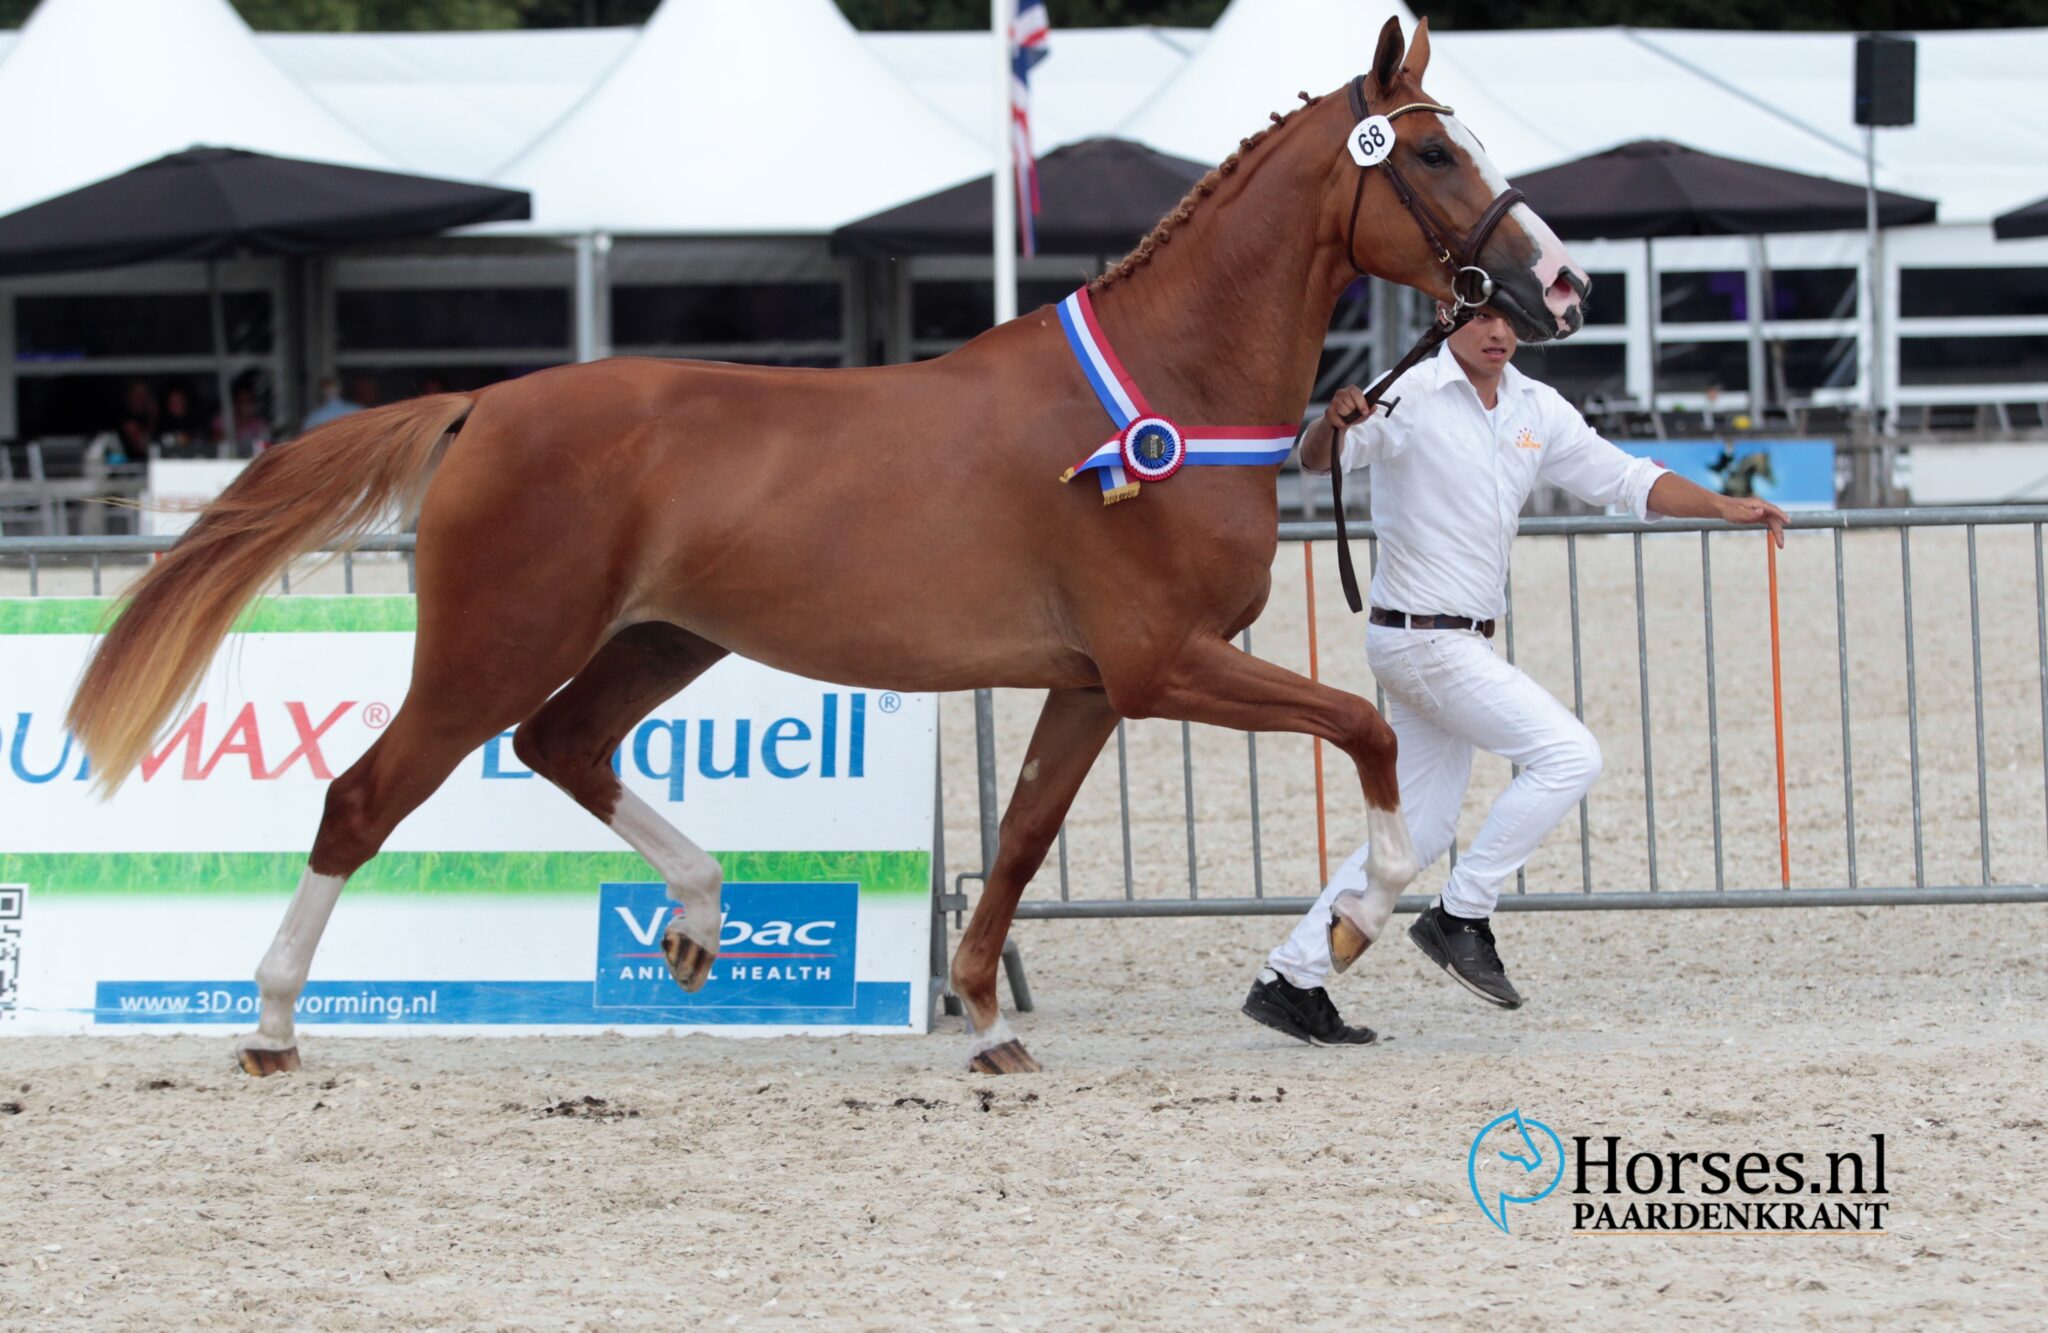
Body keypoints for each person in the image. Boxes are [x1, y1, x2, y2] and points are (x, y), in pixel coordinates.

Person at [1242, 305, 1787, 1048]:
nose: (1499, 331)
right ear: (1446, 314)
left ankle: (1292, 978)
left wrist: (1723, 506)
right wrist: (1332, 422)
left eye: (1512, 319)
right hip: (1425, 642)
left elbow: (1625, 478)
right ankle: (1462, 916)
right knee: (1570, 754)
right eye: (1484, 315)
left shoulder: (1537, 408)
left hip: (1454, 644)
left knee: (1424, 827)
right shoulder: (1412, 392)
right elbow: (1315, 460)